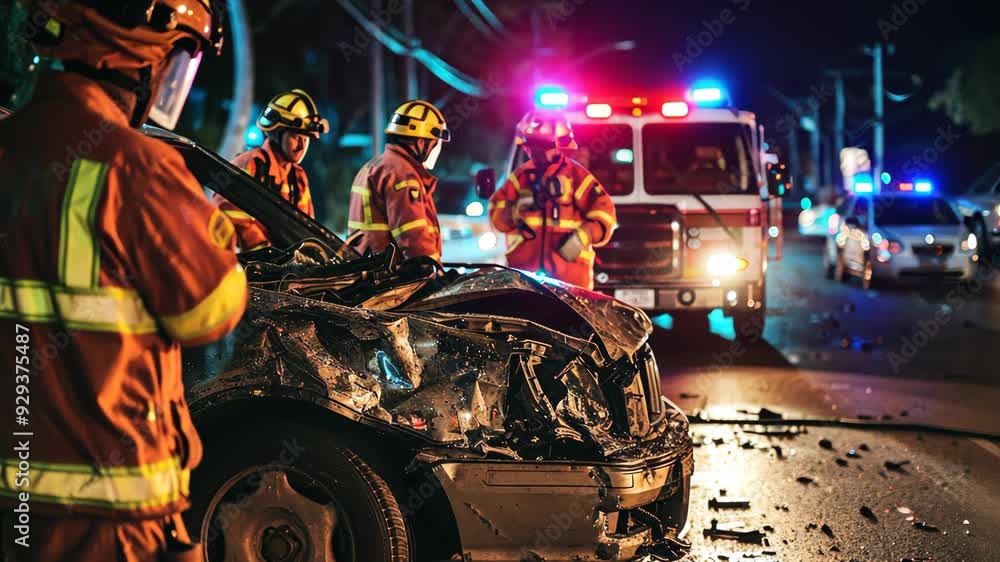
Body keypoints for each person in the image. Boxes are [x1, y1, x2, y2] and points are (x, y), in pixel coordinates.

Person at [0, 1, 247, 560]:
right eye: (177, 59)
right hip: (107, 521)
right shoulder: (137, 169)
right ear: (138, 51)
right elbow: (212, 312)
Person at [488, 110, 617, 289]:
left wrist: (583, 234)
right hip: (524, 280)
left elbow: (604, 213)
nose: (535, 151)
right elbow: (498, 217)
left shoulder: (576, 177)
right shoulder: (520, 178)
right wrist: (514, 211)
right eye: (531, 144)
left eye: (542, 144)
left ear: (561, 145)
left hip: (570, 283)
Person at [215, 88, 329, 251]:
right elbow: (227, 211)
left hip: (282, 271)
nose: (302, 146)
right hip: (245, 266)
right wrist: (262, 249)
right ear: (276, 133)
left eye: (306, 139)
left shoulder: (298, 178)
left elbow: (306, 229)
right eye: (296, 137)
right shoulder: (250, 164)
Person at [348, 100, 449, 262]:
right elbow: (414, 238)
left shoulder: (374, 166)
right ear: (421, 142)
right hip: (394, 278)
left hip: (369, 273)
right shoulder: (402, 174)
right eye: (436, 144)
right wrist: (434, 272)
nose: (437, 150)